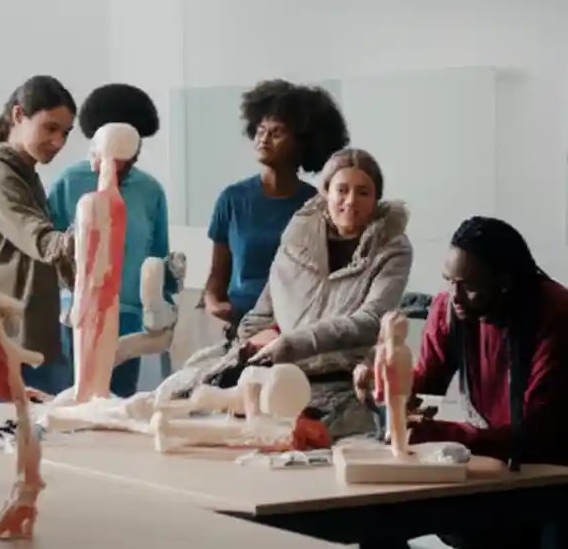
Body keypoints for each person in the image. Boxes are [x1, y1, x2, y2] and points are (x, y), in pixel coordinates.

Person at [347, 216, 568, 549]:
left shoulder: (557, 316)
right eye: (449, 281)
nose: (453, 295)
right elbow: (423, 380)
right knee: (374, 533)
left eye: (468, 285)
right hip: (513, 468)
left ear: (504, 282)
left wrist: (438, 433)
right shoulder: (454, 308)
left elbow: (537, 433)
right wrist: (382, 379)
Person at [167, 148, 412, 439]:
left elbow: (370, 320)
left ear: (376, 199)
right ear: (325, 193)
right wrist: (248, 344)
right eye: (342, 190)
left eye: (363, 192)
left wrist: (296, 343)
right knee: (178, 393)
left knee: (295, 437)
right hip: (276, 369)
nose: (350, 201)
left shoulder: (392, 249)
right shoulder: (298, 237)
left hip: (340, 382)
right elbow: (265, 309)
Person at [47, 83, 174, 397]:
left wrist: (162, 309)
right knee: (71, 401)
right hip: (73, 317)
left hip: (129, 317)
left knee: (115, 406)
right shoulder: (70, 182)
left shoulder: (150, 191)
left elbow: (158, 254)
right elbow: (48, 249)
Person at [0, 76, 78, 395]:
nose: (58, 142)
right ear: (18, 116)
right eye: (50, 128)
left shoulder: (25, 173)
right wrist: (94, 228)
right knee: (4, 440)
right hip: (7, 343)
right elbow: (42, 242)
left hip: (37, 341)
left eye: (65, 133)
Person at [203, 80, 349, 330]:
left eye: (277, 132)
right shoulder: (232, 199)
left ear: (303, 141)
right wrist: (214, 303)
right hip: (243, 326)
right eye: (260, 130)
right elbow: (217, 278)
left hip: (296, 328)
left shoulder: (317, 205)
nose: (264, 139)